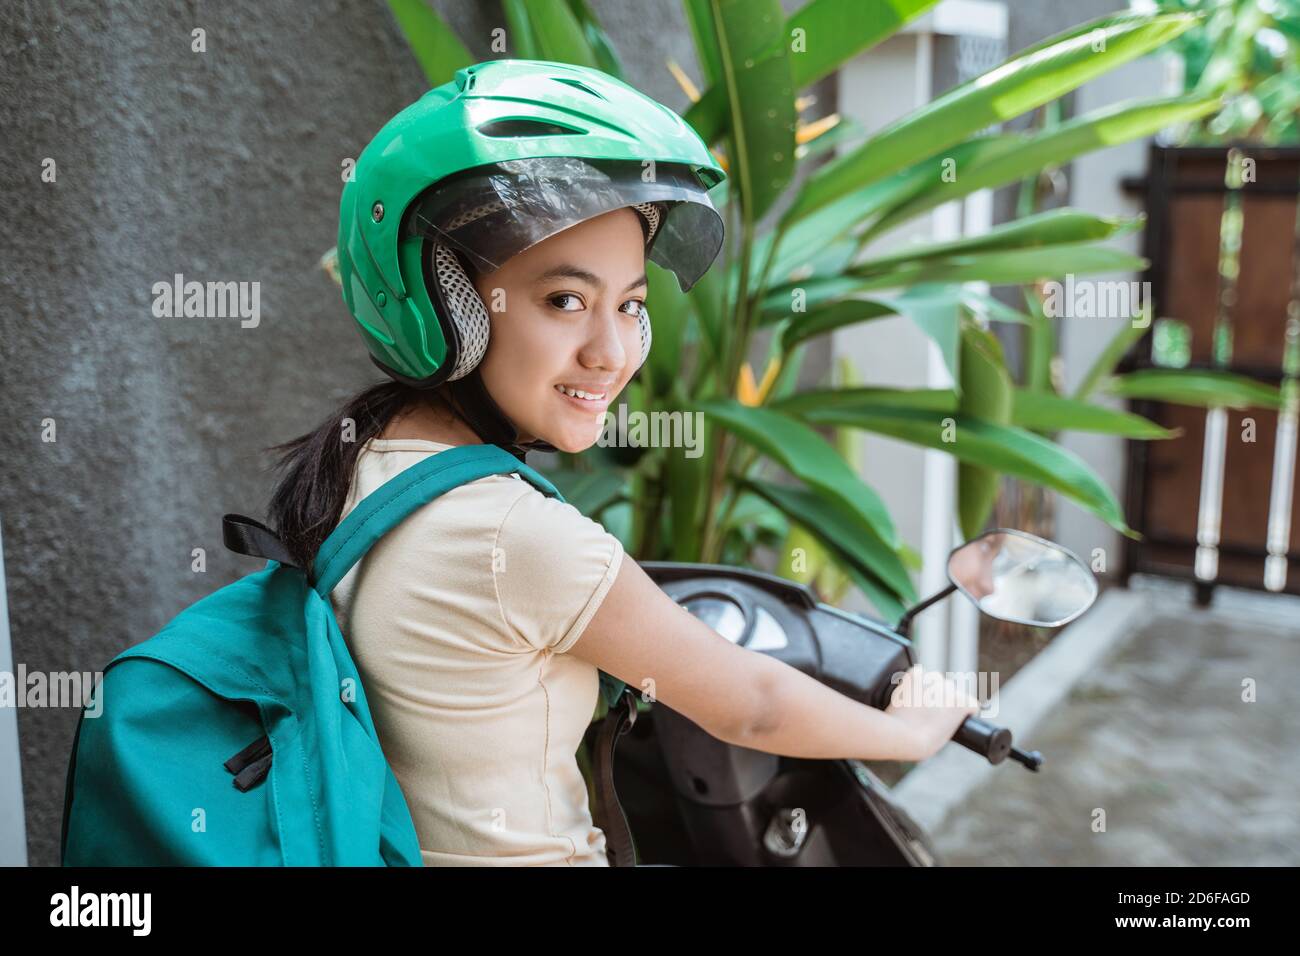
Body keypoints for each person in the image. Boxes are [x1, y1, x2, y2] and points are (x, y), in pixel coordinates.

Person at [264, 60, 978, 867]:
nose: (610, 352)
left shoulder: (369, 458)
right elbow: (751, 706)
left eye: (630, 305)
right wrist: (910, 732)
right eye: (564, 300)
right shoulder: (516, 535)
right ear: (443, 304)